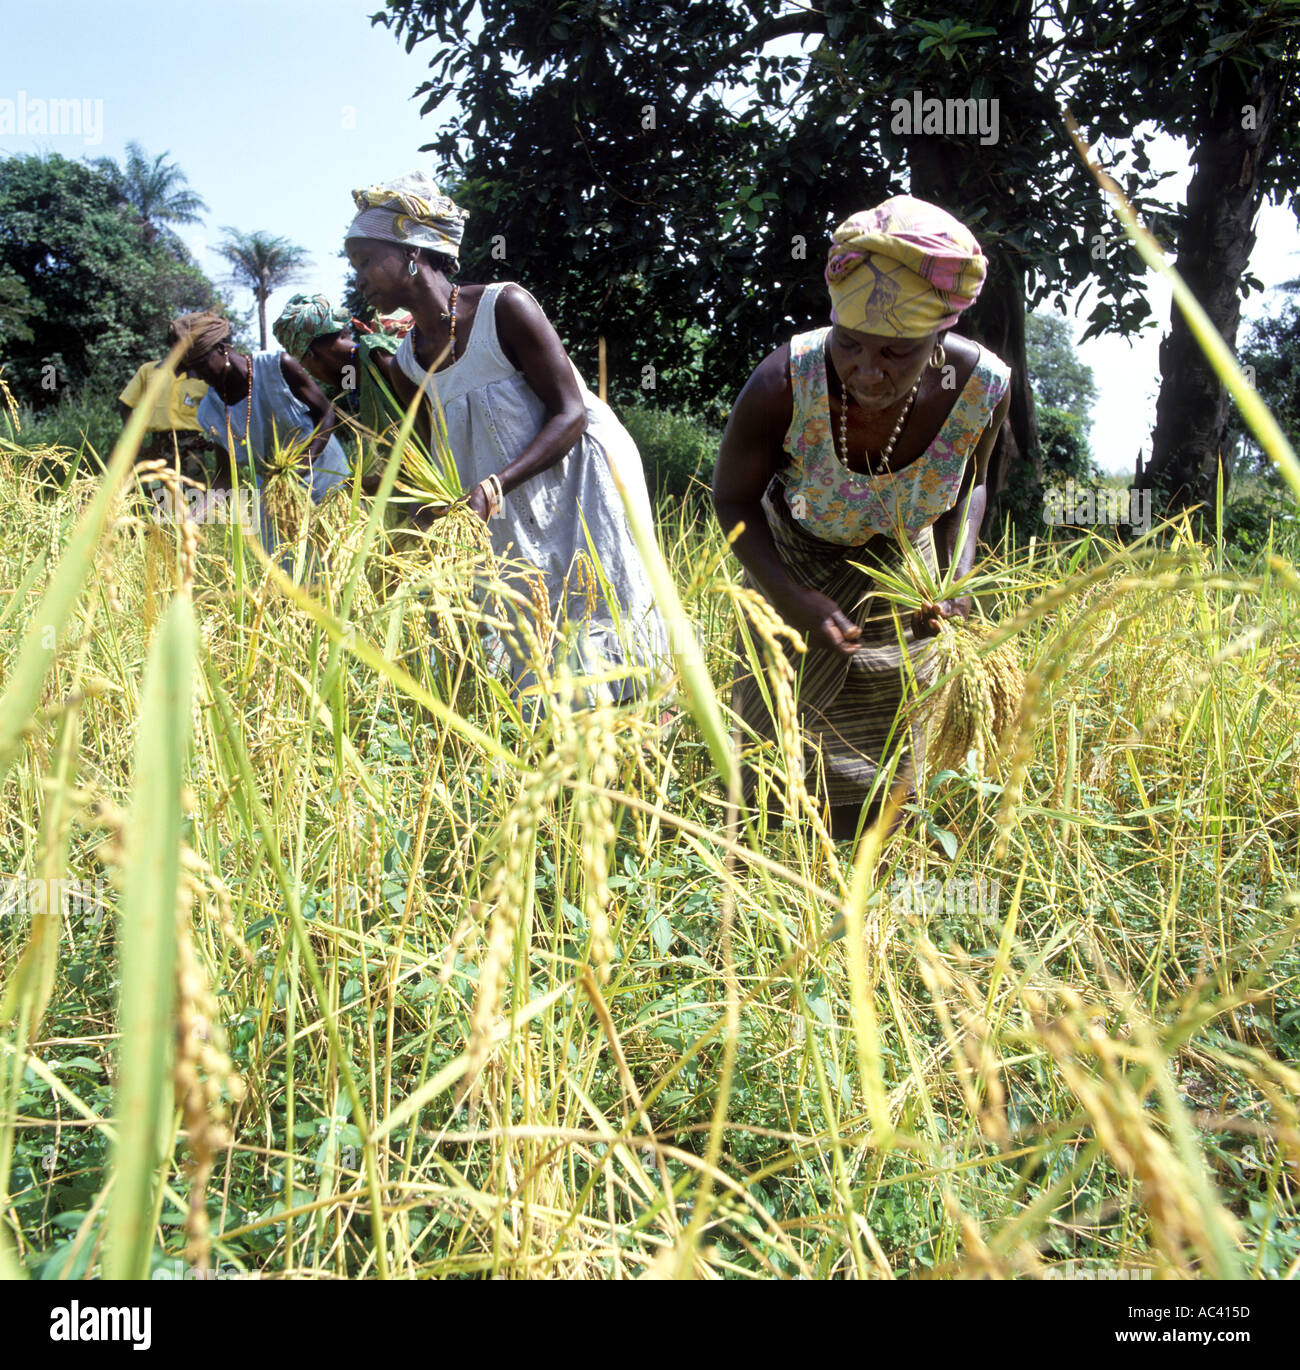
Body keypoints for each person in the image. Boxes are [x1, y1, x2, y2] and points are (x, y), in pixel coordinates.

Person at [712, 195, 1012, 841]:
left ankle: (868, 893)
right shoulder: (785, 382)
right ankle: (761, 885)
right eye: (850, 345)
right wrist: (793, 601)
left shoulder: (981, 387)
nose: (866, 372)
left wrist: (954, 580)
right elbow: (731, 500)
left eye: (895, 354)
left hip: (906, 586)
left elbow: (973, 486)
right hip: (791, 571)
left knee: (891, 758)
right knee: (772, 756)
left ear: (939, 337)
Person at [343, 171, 667, 702]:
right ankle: (573, 769)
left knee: (610, 613)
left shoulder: (504, 307)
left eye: (364, 262)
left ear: (411, 254)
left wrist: (495, 485)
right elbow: (431, 459)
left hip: (575, 481)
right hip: (500, 508)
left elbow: (570, 415)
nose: (360, 279)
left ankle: (644, 752)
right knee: (542, 637)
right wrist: (386, 493)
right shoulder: (407, 364)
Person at [166, 311, 351, 548]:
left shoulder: (277, 366)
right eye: (190, 370)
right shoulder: (209, 411)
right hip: (278, 503)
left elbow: (325, 414)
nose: (197, 376)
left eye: (200, 366)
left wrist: (301, 464)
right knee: (290, 577)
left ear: (221, 348)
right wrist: (194, 517)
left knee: (344, 561)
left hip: (327, 482)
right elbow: (225, 475)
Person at [272, 293, 403, 446]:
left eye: (305, 365)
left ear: (310, 354)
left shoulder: (378, 355)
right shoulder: (353, 373)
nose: (313, 375)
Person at [117, 359, 210, 482]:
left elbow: (218, 410)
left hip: (192, 450)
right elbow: (126, 406)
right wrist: (136, 445)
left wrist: (212, 440)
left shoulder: (203, 377)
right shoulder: (149, 371)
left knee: (194, 494)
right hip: (158, 448)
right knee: (154, 495)